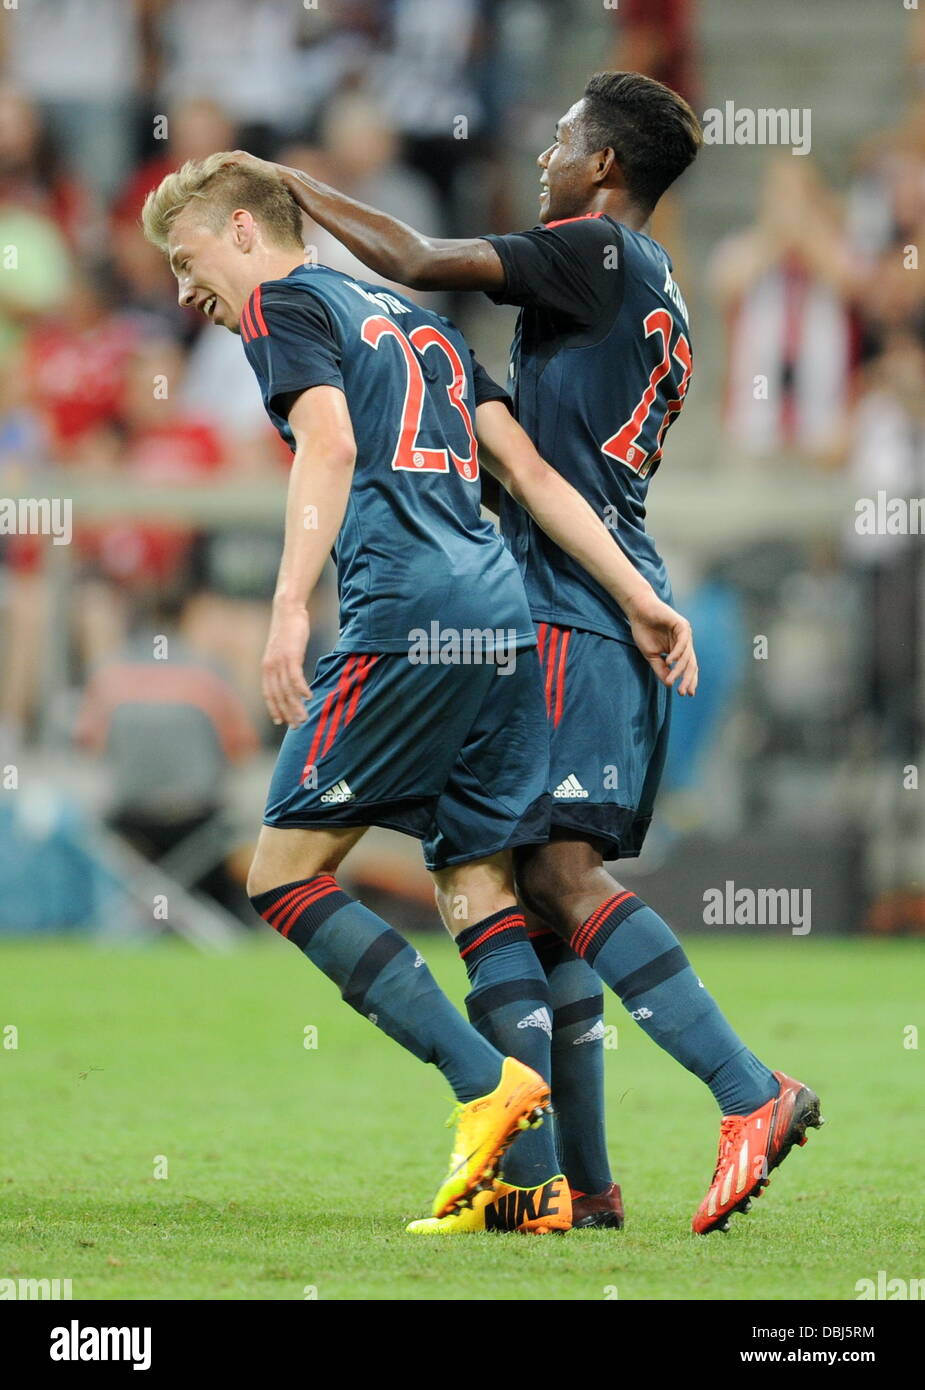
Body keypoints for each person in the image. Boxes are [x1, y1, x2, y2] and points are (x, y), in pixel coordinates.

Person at [229, 69, 823, 1236]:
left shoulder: (593, 247)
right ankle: (577, 1184)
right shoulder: (658, 290)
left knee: (544, 879)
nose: (545, 153)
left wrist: (283, 186)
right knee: (527, 891)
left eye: (560, 138)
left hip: (566, 603)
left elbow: (410, 255)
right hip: (593, 590)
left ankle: (749, 1090)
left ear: (605, 168)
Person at [141, 154, 697, 1230]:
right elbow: (530, 474)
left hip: (404, 613)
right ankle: (535, 1185)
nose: (183, 290)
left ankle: (486, 1085)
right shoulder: (415, 321)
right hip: (501, 616)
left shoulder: (282, 303)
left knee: (283, 875)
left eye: (187, 256)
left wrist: (290, 601)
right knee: (481, 879)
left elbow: (332, 441)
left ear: (247, 231)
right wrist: (637, 594)